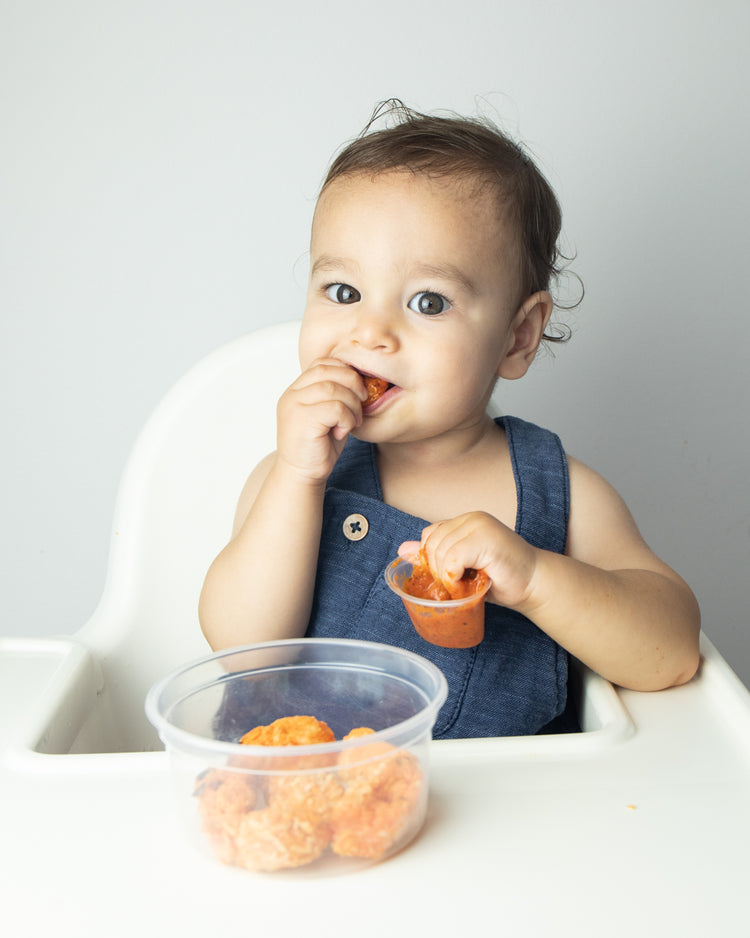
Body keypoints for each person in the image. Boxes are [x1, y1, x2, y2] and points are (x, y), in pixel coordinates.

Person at [198, 100, 700, 738]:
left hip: (499, 823)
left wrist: (539, 578)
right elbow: (240, 647)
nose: (371, 332)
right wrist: (297, 479)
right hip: (293, 812)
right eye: (343, 293)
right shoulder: (292, 480)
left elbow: (673, 652)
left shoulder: (562, 495)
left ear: (519, 336)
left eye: (427, 301)